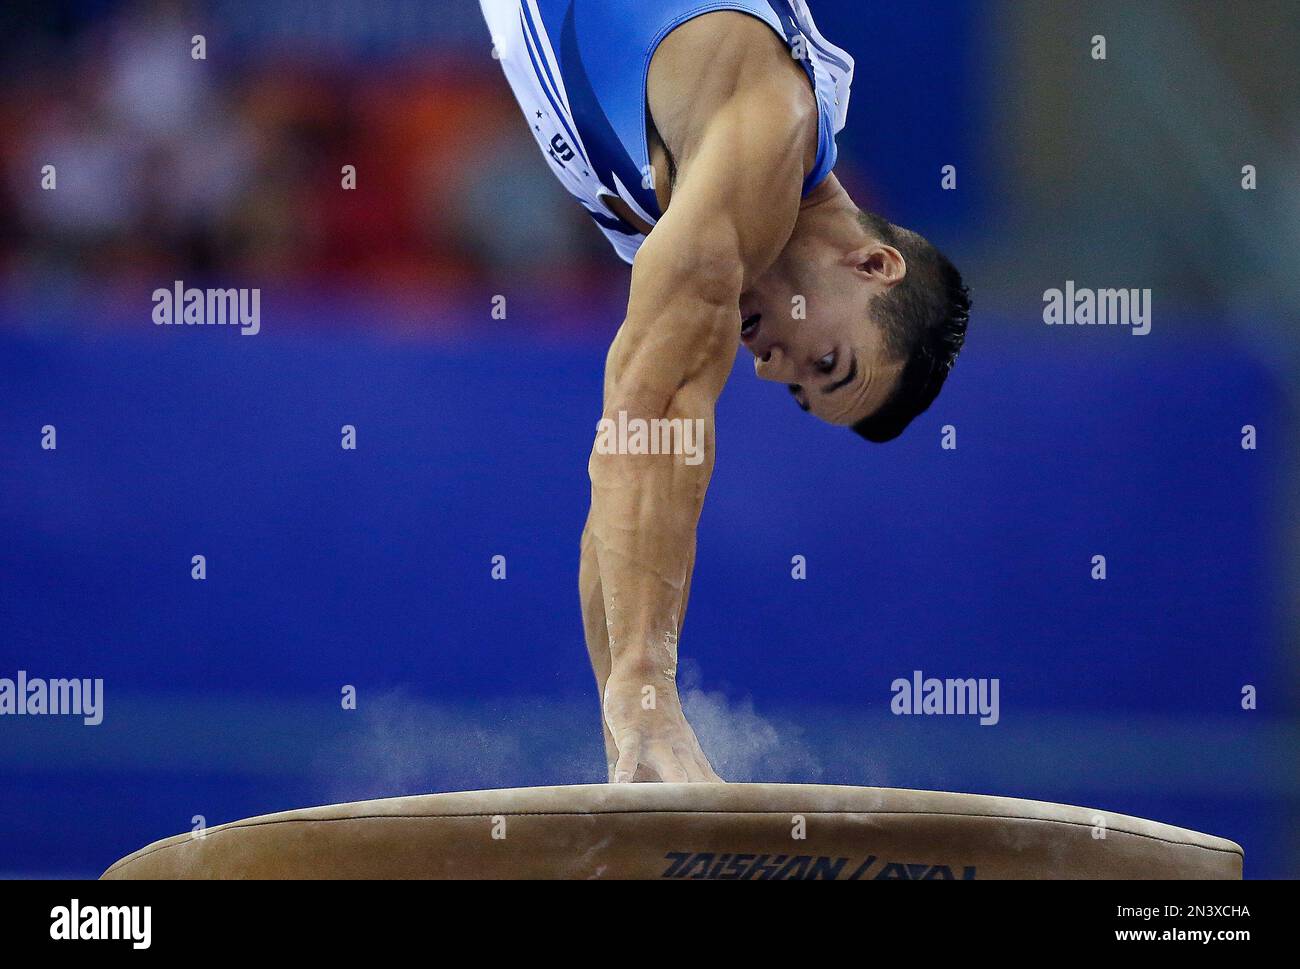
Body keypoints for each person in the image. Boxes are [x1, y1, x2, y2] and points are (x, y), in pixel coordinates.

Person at [480, 0, 970, 782]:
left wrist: (630, 755)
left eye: (797, 391)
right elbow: (655, 419)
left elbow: (620, 481)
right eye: (827, 363)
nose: (774, 369)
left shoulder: (698, 201)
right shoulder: (765, 131)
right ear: (875, 265)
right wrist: (645, 690)